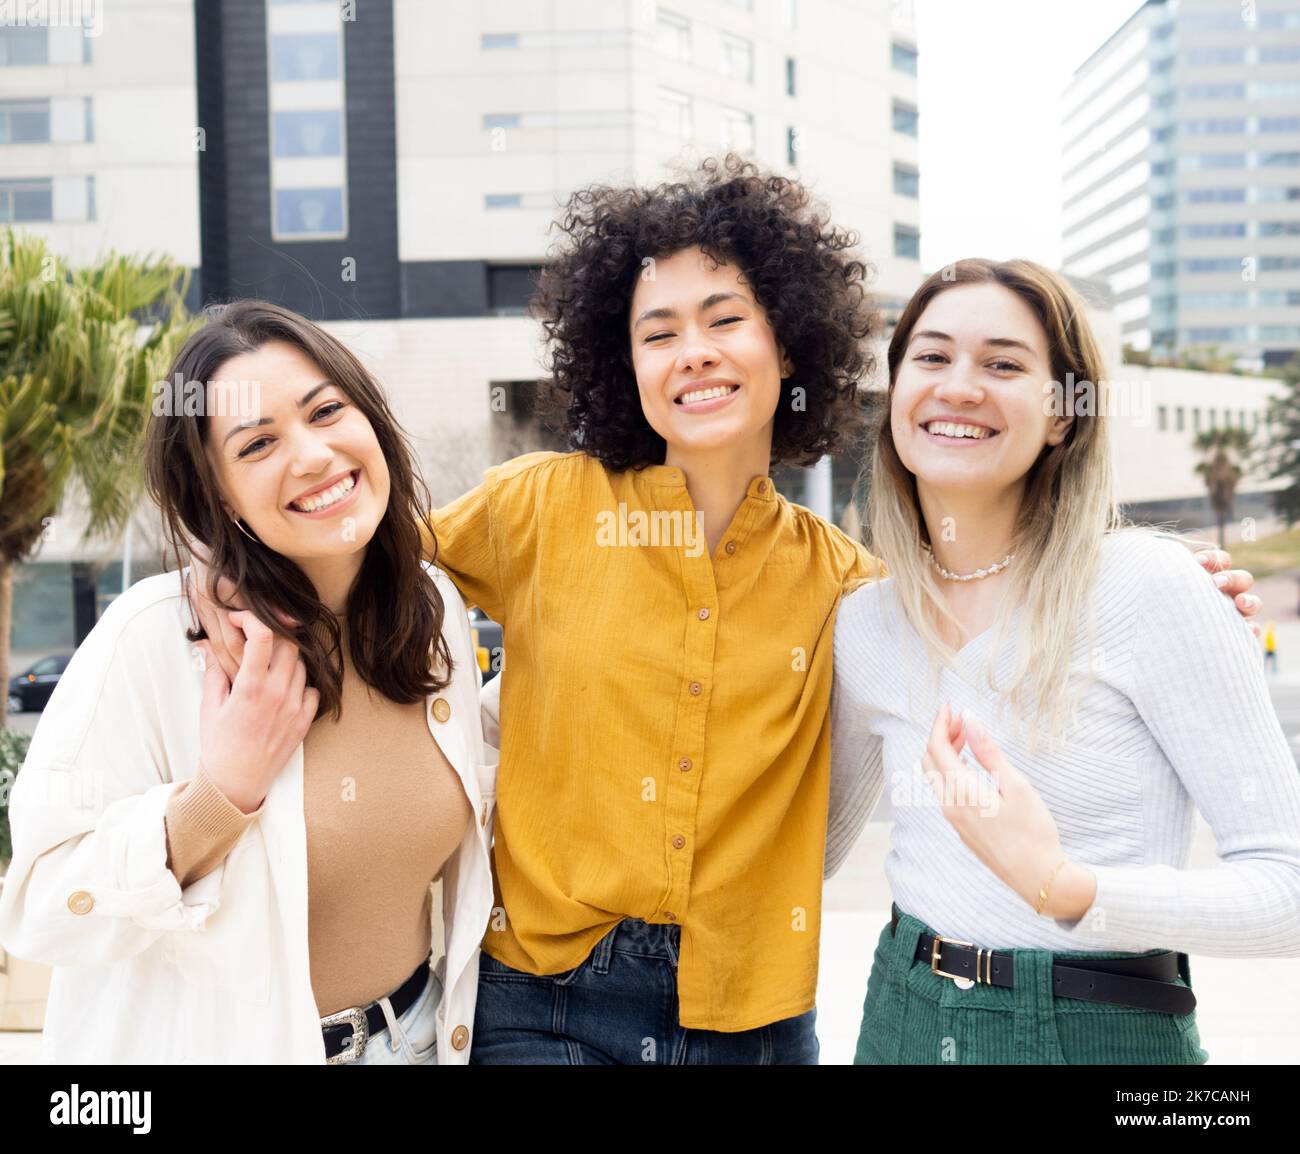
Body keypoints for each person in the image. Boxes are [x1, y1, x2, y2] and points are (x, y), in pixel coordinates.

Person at [188, 158, 1261, 1065]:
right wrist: (213, 570)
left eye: (723, 318)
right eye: (656, 332)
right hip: (543, 1000)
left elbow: (897, 735)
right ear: (627, 367)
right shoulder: (537, 507)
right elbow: (351, 556)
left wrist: (1173, 586)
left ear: (787, 344)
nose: (690, 349)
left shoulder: (849, 587)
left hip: (750, 1013)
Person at [828, 258, 1300, 1065]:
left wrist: (1063, 885)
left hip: (1097, 1027)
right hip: (901, 1012)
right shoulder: (864, 619)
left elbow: (1287, 891)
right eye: (932, 357)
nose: (961, 386)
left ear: (1062, 416)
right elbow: (808, 853)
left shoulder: (1153, 588)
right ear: (896, 393)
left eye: (1004, 364)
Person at [0, 301, 498, 1064]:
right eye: (258, 443)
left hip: (423, 1039)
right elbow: (40, 908)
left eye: (327, 410)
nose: (312, 455)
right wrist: (218, 798)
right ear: (219, 498)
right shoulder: (156, 638)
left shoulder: (430, 610)